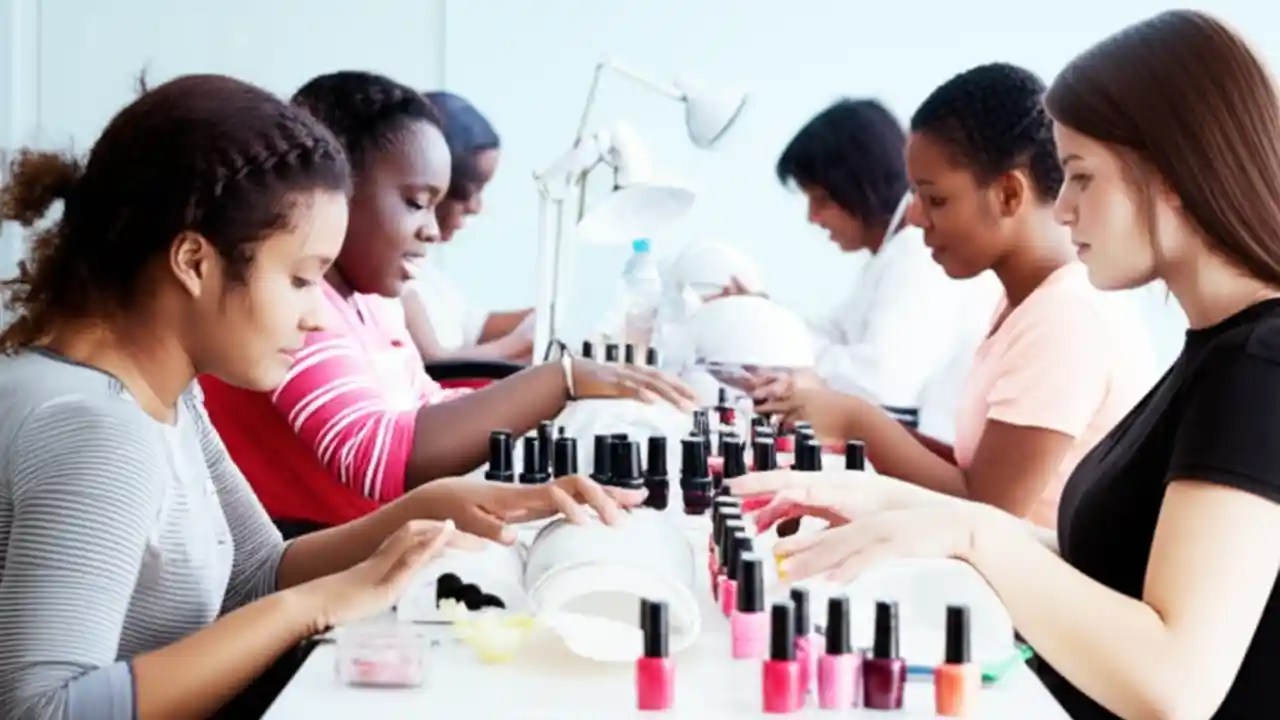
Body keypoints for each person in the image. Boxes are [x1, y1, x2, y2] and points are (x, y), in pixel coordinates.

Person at [0, 74, 639, 720]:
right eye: (302, 279)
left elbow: (254, 573)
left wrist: (430, 509)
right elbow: (45, 711)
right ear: (194, 261)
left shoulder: (165, 394)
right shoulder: (97, 430)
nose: (315, 317)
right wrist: (316, 607)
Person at [732, 10, 1280, 719]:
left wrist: (969, 530)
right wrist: (888, 503)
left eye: (1080, 176)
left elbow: (1174, 683)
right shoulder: (1215, 350)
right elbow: (1099, 569)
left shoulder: (1259, 366)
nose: (1067, 208)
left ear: (1171, 175)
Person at [200, 71, 695, 536]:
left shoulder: (371, 304)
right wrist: (557, 381)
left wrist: (549, 403)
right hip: (322, 556)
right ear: (333, 189)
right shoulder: (303, 312)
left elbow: (426, 402)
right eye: (416, 203)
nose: (434, 230)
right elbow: (379, 458)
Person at [758, 64, 1154, 527]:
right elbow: (973, 472)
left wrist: (854, 421)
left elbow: (986, 512)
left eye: (935, 200)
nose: (915, 219)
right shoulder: (1023, 304)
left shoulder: (1067, 317)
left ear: (1008, 194)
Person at [749, 99, 1000, 442]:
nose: (813, 218)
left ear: (859, 187)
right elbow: (831, 334)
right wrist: (761, 316)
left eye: (821, 200)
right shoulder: (891, 257)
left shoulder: (918, 257)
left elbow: (882, 384)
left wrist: (800, 366)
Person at [401, 91, 534, 363]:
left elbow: (472, 327)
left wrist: (546, 318)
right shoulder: (391, 275)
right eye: (468, 190)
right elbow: (436, 365)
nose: (476, 207)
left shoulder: (428, 271)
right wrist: (521, 343)